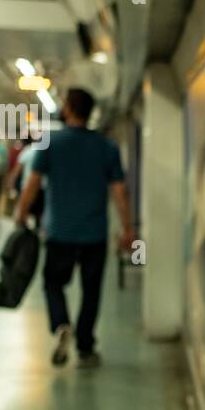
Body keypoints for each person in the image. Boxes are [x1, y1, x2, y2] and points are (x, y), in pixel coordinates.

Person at [14, 88, 134, 368]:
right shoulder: (107, 147)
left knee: (53, 283)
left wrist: (21, 214)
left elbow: (32, 184)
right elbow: (119, 192)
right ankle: (85, 346)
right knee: (91, 291)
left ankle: (61, 324)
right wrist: (128, 229)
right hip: (95, 234)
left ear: (68, 108)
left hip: (60, 232)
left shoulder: (50, 144)